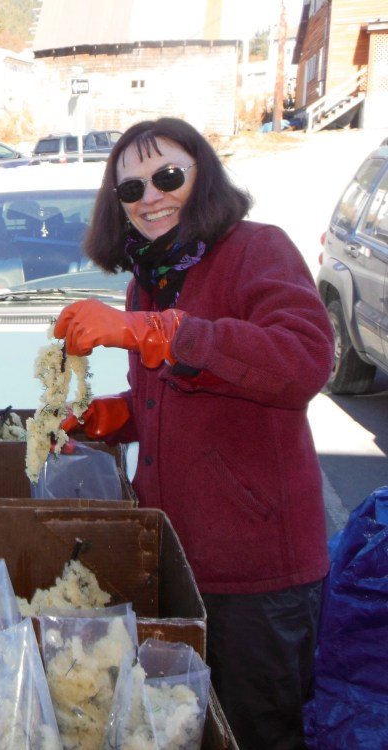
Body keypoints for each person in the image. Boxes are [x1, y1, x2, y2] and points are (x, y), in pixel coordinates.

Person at [53, 117, 333, 750]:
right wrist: (110, 418)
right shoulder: (144, 280)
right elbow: (166, 394)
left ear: (201, 175)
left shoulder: (257, 249)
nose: (150, 198)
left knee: (256, 730)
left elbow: (303, 360)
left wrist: (161, 333)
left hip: (258, 571)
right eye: (131, 189)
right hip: (179, 558)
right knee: (185, 729)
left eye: (167, 177)